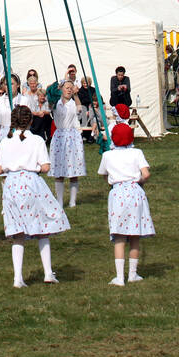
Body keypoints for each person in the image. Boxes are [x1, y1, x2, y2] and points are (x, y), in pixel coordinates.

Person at [0, 104, 69, 287]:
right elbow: (45, 166)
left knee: (17, 232)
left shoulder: (6, 141)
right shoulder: (37, 141)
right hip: (31, 184)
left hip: (11, 185)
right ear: (30, 121)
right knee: (42, 228)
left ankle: (17, 278)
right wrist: (34, 166)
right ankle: (47, 273)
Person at [98, 122, 154, 285]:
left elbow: (103, 174)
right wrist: (139, 181)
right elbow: (146, 173)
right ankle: (133, 274)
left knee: (119, 236)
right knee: (135, 235)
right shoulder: (137, 153)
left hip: (117, 195)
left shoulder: (107, 155)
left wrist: (111, 181)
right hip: (135, 193)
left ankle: (120, 277)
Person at [50, 80, 86, 207]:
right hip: (60, 136)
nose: (69, 90)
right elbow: (49, 95)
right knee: (59, 170)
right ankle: (59, 200)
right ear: (62, 89)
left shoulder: (73, 104)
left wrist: (76, 95)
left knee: (73, 170)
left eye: (71, 88)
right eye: (67, 88)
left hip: (72, 137)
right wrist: (56, 88)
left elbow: (80, 111)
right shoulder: (56, 103)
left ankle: (72, 201)